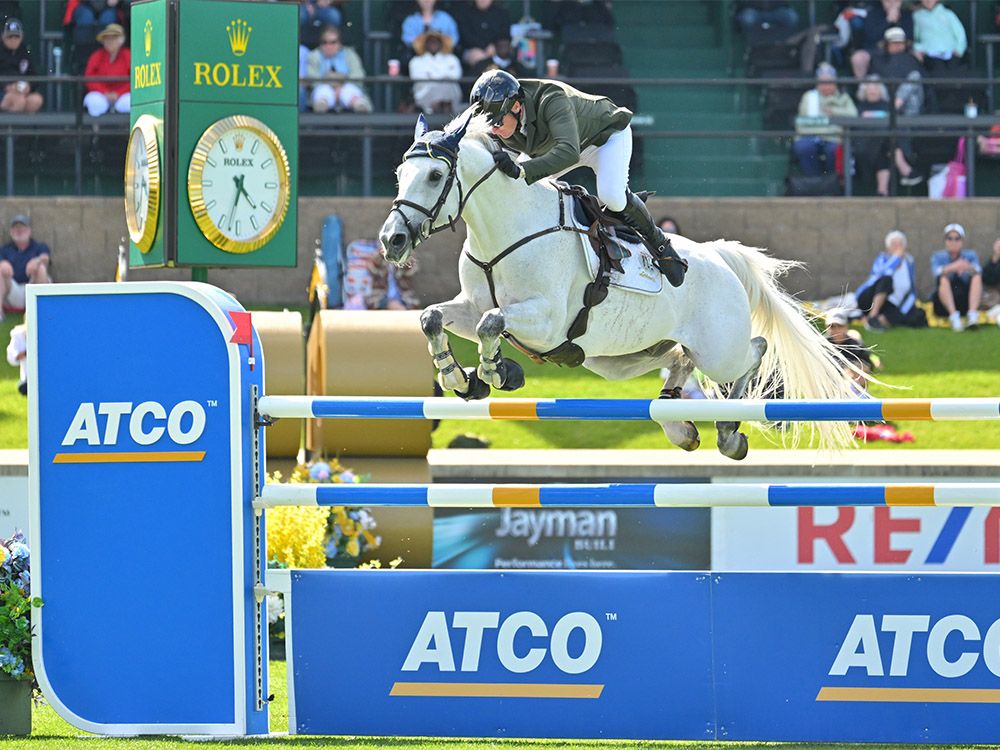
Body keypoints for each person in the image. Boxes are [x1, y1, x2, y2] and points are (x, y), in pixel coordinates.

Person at [468, 69, 687, 287]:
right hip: (558, 146)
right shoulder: (505, 120)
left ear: (516, 106)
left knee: (613, 196)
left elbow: (568, 153)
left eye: (497, 122)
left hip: (604, 138)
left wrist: (522, 170)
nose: (494, 130)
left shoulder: (552, 99)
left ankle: (661, 246)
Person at [793, 63, 858, 177]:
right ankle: (814, 182)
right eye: (822, 82)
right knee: (803, 147)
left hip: (834, 137)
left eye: (829, 82)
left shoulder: (843, 98)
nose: (826, 86)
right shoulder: (809, 96)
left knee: (833, 151)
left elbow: (853, 115)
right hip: (810, 135)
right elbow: (801, 120)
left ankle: (833, 182)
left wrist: (834, 111)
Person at [854, 229, 924, 330]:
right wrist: (895, 259)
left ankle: (877, 321)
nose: (897, 247)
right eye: (894, 244)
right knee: (887, 280)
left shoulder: (909, 262)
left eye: (900, 244)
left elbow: (911, 289)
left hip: (891, 303)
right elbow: (881, 274)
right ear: (888, 247)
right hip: (870, 299)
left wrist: (905, 308)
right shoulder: (882, 258)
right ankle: (873, 316)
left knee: (915, 314)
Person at [307, 26, 372, 113]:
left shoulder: (350, 54)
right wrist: (336, 83)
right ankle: (321, 106)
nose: (328, 46)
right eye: (324, 42)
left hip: (347, 87)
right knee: (323, 91)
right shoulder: (314, 56)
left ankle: (359, 106)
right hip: (324, 88)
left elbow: (358, 76)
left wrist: (339, 86)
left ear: (339, 43)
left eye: (333, 42)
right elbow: (313, 79)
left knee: (349, 90)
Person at [931, 222, 983, 331]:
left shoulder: (970, 255)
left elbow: (978, 269)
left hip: (965, 301)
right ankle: (954, 317)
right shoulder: (937, 256)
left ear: (962, 241)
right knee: (943, 279)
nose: (953, 242)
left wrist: (966, 267)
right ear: (945, 241)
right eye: (949, 238)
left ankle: (972, 315)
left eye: (957, 238)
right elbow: (936, 272)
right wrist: (955, 267)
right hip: (944, 305)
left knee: (976, 277)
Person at [0, 214, 51, 322]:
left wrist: (36, 261)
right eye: (16, 228)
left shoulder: (39, 246)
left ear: (29, 230)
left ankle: (43, 312)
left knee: (41, 268)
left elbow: (45, 258)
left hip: (32, 287)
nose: (19, 230)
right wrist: (3, 263)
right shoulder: (5, 249)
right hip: (13, 291)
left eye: (22, 227)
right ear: (11, 231)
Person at [851, 0, 913, 78]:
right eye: (888, 1)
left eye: (895, 1)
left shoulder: (906, 15)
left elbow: (909, 37)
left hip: (901, 50)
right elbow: (871, 37)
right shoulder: (873, 13)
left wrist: (897, 21)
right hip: (875, 49)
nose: (892, 4)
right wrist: (888, 21)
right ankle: (863, 88)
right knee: (858, 58)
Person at [409, 29, 462, 114]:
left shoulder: (452, 59)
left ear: (441, 43)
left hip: (450, 98)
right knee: (442, 84)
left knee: (446, 85)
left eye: (436, 41)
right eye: (430, 41)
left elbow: (456, 76)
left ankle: (445, 110)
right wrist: (444, 76)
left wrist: (432, 75)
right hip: (425, 97)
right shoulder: (416, 61)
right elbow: (417, 77)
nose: (433, 44)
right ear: (425, 44)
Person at [83, 23, 130, 116]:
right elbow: (89, 78)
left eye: (113, 38)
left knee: (128, 103)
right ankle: (96, 129)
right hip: (101, 94)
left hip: (123, 94)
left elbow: (135, 79)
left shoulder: (128, 55)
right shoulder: (96, 56)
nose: (110, 41)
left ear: (121, 41)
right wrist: (105, 92)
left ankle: (124, 129)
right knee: (94, 102)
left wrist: (118, 93)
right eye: (107, 39)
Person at [824, 309, 876, 391]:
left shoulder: (856, 345)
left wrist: (855, 369)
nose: (836, 330)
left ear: (846, 327)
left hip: (853, 387)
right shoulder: (822, 345)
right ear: (826, 328)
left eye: (840, 326)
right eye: (832, 326)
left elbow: (868, 367)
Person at [452, 0, 512, 71]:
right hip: (470, 51)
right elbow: (463, 36)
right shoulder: (464, 12)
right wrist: (478, 50)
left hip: (495, 52)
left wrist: (494, 46)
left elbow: (505, 35)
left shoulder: (502, 14)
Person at [913, 0, 967, 74]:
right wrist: (918, 49)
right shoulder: (917, 16)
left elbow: (960, 34)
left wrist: (959, 50)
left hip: (951, 53)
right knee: (938, 69)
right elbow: (915, 37)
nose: (928, 1)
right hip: (930, 54)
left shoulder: (948, 14)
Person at [0, 18, 42, 113]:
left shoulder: (24, 54)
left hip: (21, 91)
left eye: (16, 37)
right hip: (3, 91)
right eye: (10, 37)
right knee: (18, 100)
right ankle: (8, 127)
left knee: (36, 100)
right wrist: (7, 86)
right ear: (3, 37)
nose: (13, 40)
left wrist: (29, 86)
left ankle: (25, 127)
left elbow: (34, 76)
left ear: (21, 37)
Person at [735, 1, 799, 35]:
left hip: (775, 11)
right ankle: (753, 30)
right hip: (756, 11)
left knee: (792, 17)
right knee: (747, 18)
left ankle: (774, 29)